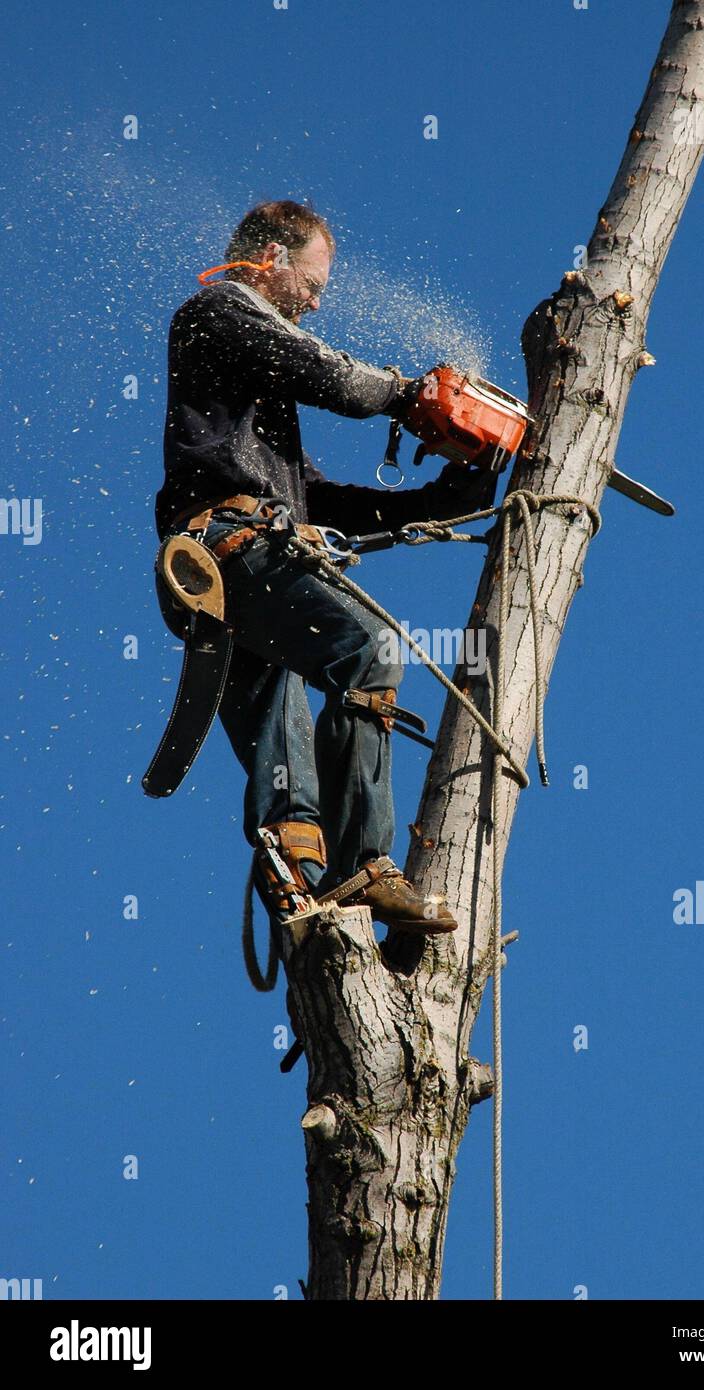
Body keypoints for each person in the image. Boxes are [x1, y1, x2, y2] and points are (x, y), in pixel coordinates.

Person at [154, 199, 495, 934]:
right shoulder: (218, 313)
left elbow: (318, 500)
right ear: (272, 257)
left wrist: (444, 496)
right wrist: (412, 397)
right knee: (370, 651)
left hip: (242, 565)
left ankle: (303, 888)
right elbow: (329, 375)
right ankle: (368, 867)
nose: (315, 301)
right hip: (228, 550)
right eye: (312, 282)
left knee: (287, 745)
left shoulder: (256, 372)